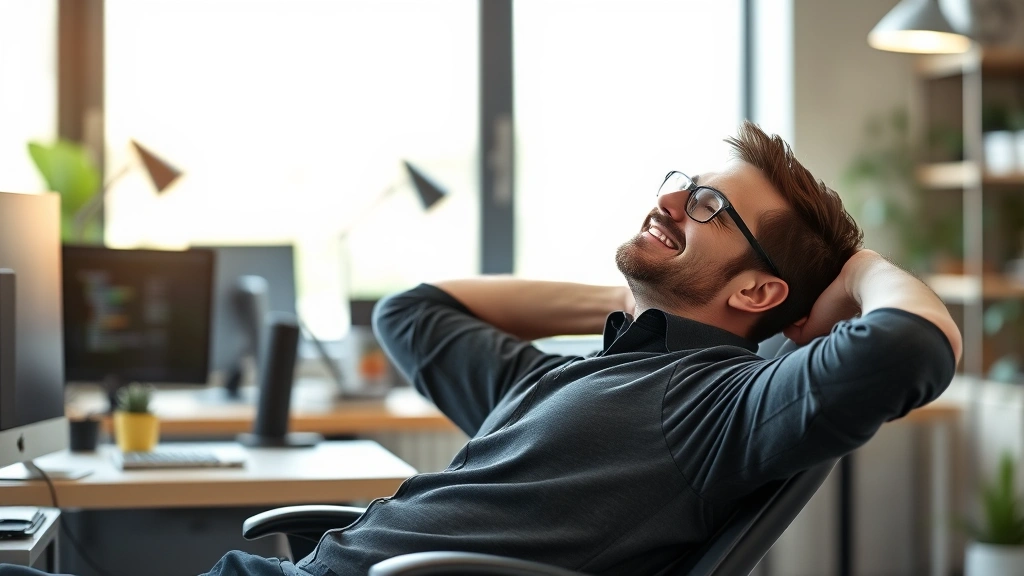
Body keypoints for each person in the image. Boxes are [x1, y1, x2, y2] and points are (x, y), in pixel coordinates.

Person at [0, 121, 960, 576]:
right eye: (682, 182)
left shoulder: (719, 406)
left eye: (707, 206)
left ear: (758, 291)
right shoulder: (575, 380)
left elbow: (908, 344)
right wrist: (630, 296)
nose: (671, 198)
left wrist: (859, 270)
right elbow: (413, 313)